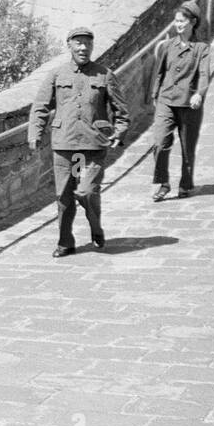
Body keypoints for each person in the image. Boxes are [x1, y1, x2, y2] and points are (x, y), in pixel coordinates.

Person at [28, 27, 130, 256]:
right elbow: (41, 106)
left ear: (92, 47)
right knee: (65, 196)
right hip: (66, 147)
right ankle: (65, 242)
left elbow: (121, 111)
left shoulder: (104, 75)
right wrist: (35, 133)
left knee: (85, 191)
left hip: (92, 147)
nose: (83, 48)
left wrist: (119, 132)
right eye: (79, 44)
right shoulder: (57, 75)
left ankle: (95, 227)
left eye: (87, 44)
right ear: (69, 46)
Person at [147, 1, 210, 201]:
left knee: (187, 147)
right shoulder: (167, 45)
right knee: (159, 142)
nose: (178, 25)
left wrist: (199, 93)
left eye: (182, 21)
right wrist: (155, 95)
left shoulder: (201, 48)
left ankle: (185, 184)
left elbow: (204, 74)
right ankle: (163, 182)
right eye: (176, 21)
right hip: (166, 100)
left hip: (188, 104)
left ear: (193, 22)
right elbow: (159, 72)